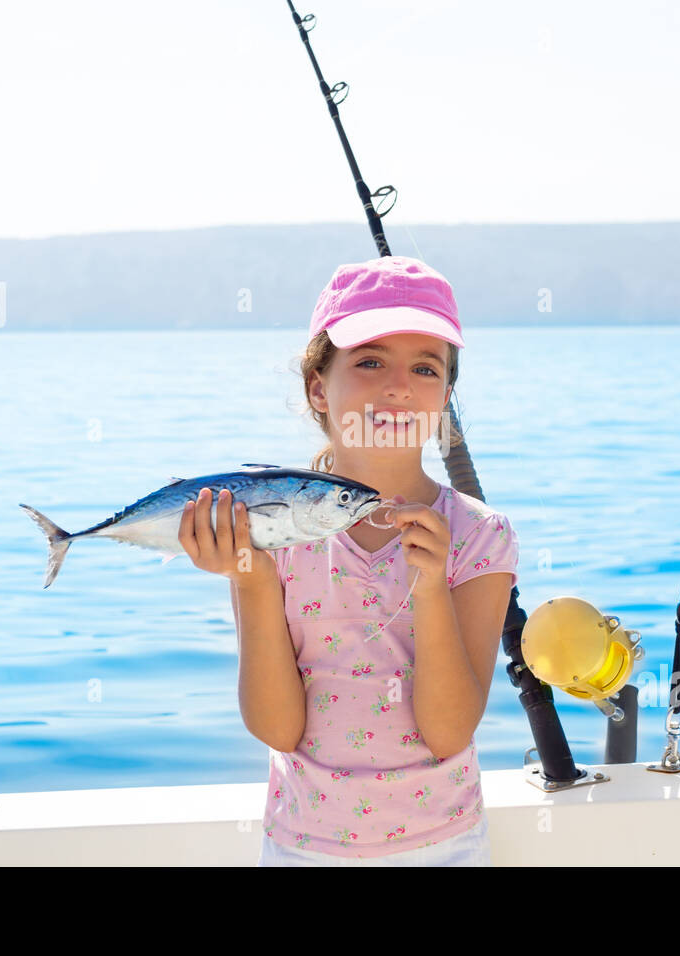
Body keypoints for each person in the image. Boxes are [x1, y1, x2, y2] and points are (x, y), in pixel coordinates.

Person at [180, 255, 519, 866]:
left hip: (445, 847)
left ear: (445, 395)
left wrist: (430, 587)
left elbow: (449, 732)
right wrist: (252, 581)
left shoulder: (481, 536)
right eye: (369, 361)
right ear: (318, 387)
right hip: (301, 848)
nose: (398, 386)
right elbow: (277, 728)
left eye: (425, 367)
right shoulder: (270, 530)